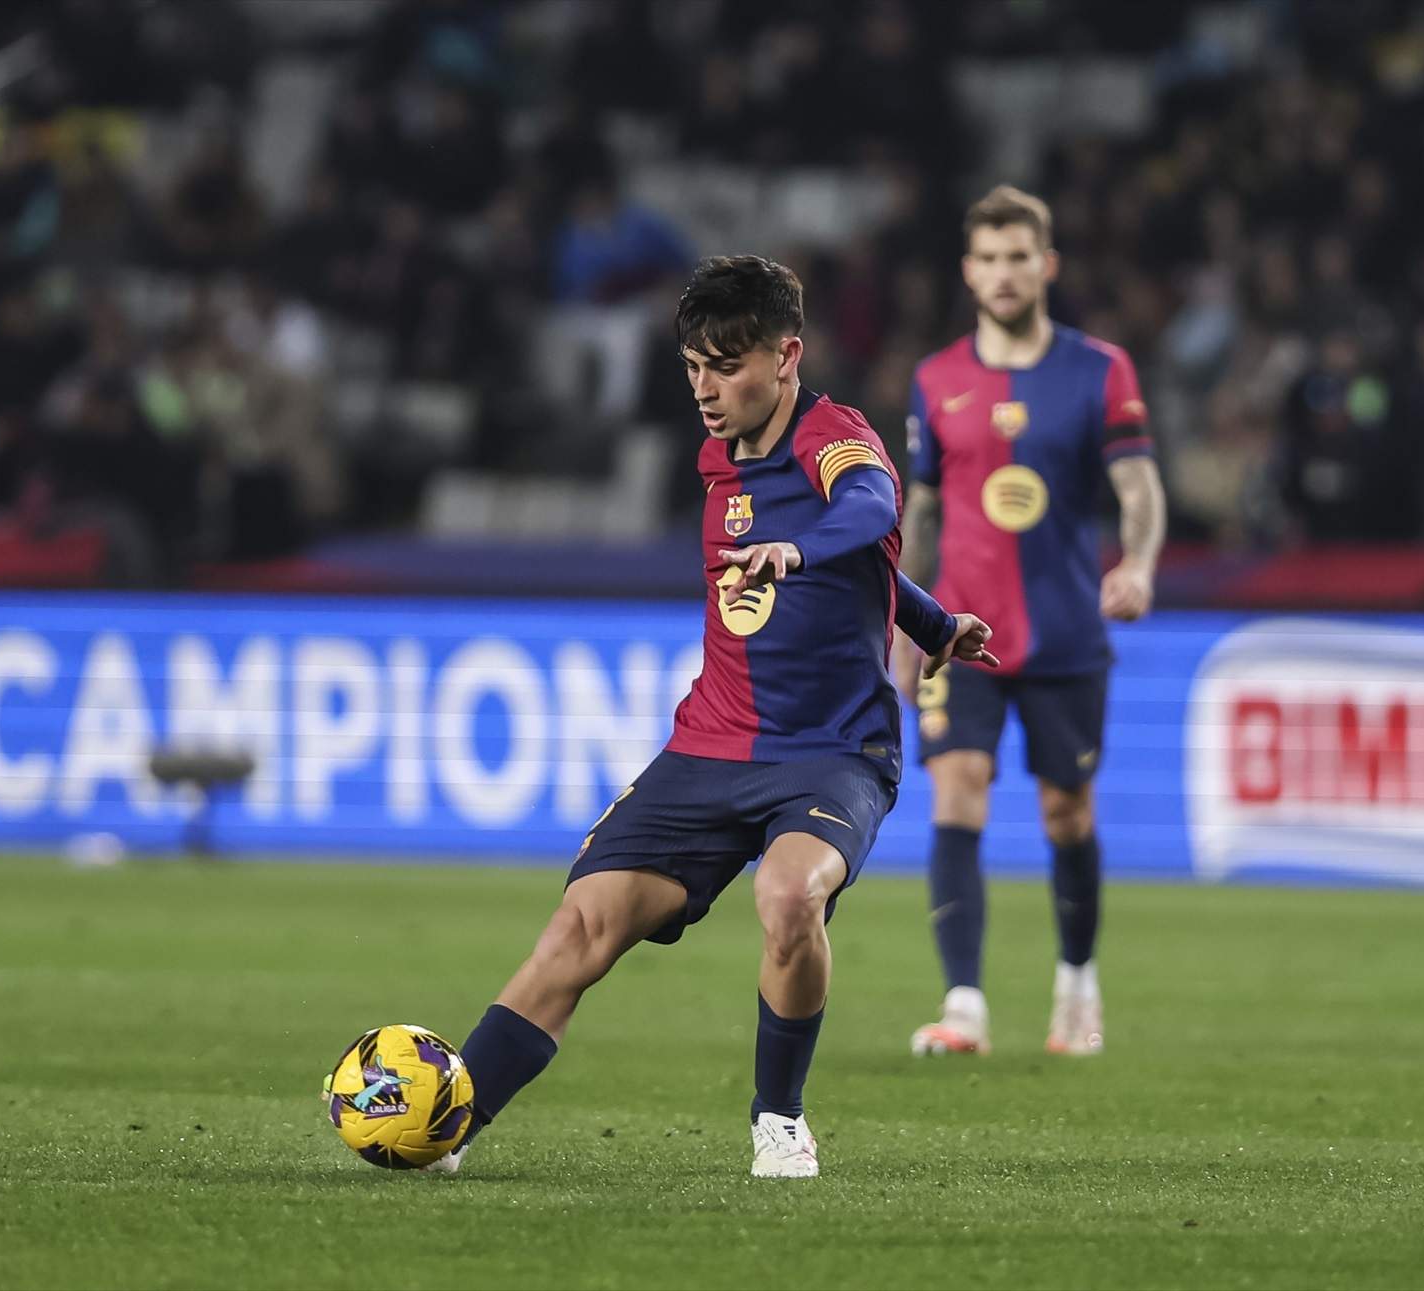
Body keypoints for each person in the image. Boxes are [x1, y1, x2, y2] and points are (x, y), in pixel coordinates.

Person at [433, 255, 997, 1179]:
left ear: (787, 355)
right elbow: (878, 568)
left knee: (789, 897)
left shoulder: (836, 436)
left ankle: (780, 1117)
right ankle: (447, 1122)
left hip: (832, 753)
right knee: (581, 929)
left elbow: (871, 509)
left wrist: (794, 547)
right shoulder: (712, 456)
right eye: (693, 364)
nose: (705, 387)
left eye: (726, 366)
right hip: (706, 746)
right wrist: (932, 622)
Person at [897, 186, 1167, 1058]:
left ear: (1046, 266)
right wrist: (907, 621)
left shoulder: (1099, 370)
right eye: (988, 257)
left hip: (1064, 634)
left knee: (1066, 812)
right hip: (962, 635)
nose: (1004, 273)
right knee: (958, 786)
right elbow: (922, 513)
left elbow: (1139, 488)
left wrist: (1139, 562)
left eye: (1020, 256)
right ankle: (964, 1002)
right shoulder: (936, 380)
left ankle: (1077, 984)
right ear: (968, 271)